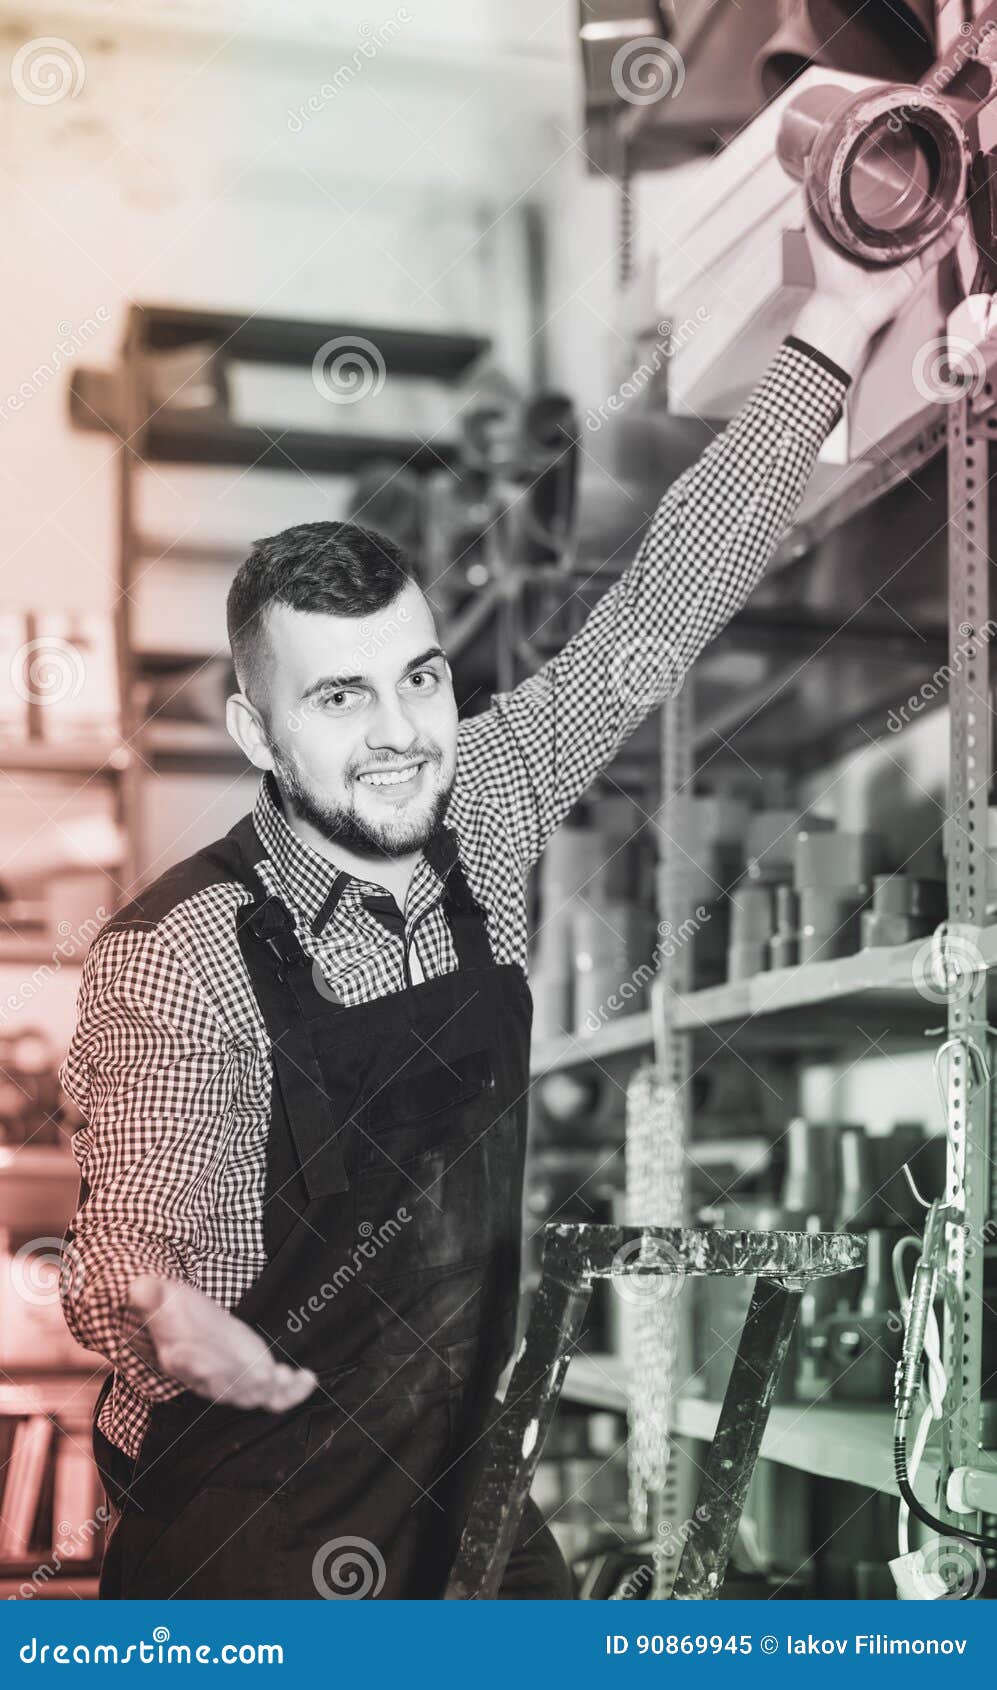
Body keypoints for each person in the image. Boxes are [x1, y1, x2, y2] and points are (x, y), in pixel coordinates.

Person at [59, 214, 958, 1599]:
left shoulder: (480, 798)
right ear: (253, 729)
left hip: (452, 1476)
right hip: (240, 1511)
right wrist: (162, 1309)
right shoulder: (178, 956)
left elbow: (666, 591)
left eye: (418, 676)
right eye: (340, 698)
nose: (404, 733)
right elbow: (129, 1229)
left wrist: (835, 321)